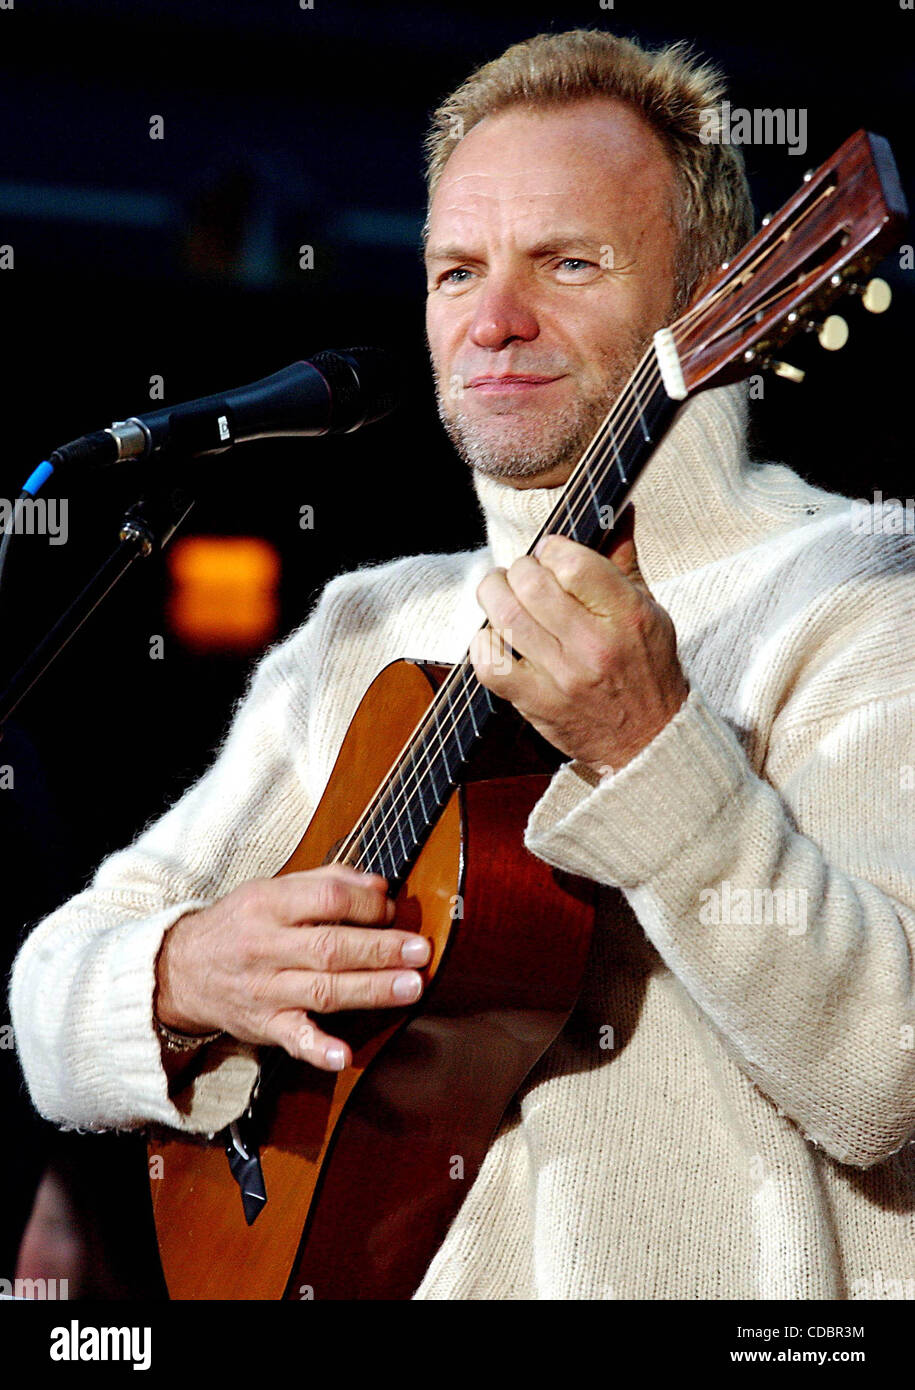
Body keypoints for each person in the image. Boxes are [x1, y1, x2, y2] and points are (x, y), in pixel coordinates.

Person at [9, 30, 915, 1300]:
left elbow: (890, 1070)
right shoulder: (365, 627)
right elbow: (49, 988)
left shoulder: (865, 588)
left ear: (714, 290)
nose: (492, 320)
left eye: (568, 262)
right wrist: (180, 971)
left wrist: (660, 756)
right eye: (454, 270)